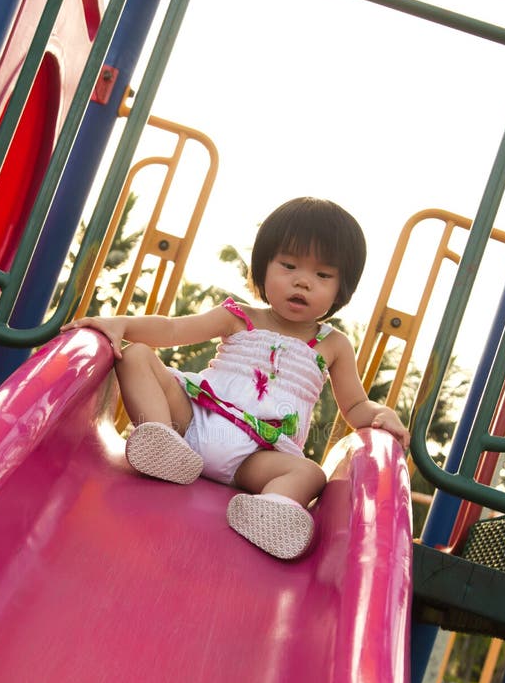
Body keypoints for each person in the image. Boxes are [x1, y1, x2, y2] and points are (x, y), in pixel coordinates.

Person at [62, 196, 410, 560]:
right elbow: (171, 329)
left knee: (310, 474)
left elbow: (353, 404)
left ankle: (270, 508)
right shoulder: (237, 316)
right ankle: (161, 440)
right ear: (263, 268)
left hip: (256, 455)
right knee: (136, 355)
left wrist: (380, 415)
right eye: (288, 265)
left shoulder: (333, 344)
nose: (303, 282)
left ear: (342, 288)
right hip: (192, 423)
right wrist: (123, 324)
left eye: (322, 275)